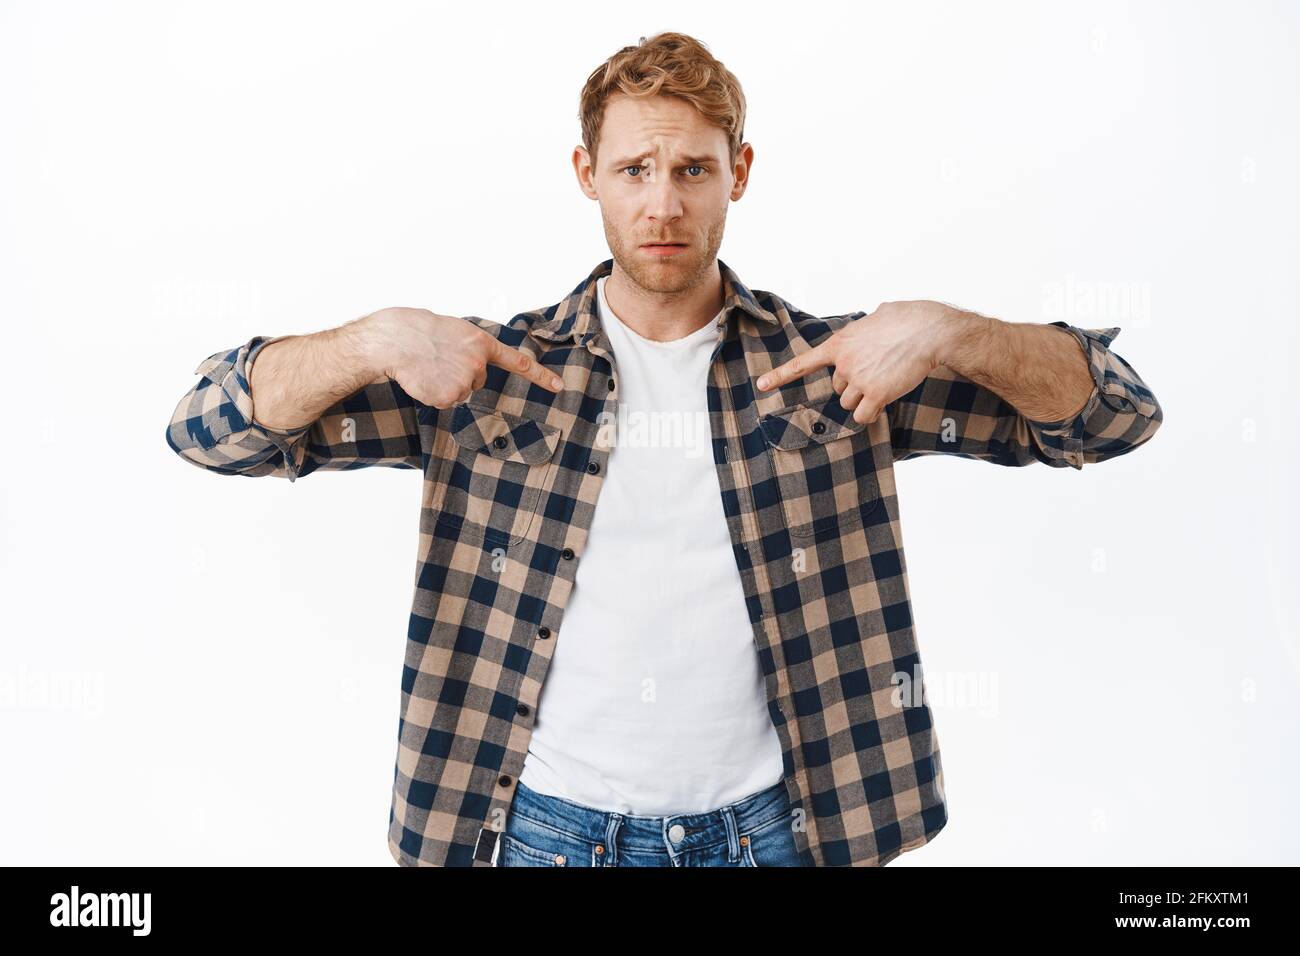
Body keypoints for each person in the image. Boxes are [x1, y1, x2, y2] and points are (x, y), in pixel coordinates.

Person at [165, 31, 1163, 867]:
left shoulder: (838, 369)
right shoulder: (483, 373)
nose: (662, 204)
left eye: (691, 168)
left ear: (739, 171)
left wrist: (947, 330)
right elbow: (210, 430)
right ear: (585, 174)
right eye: (634, 169)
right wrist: (373, 339)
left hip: (774, 832)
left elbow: (1112, 414)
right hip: (537, 833)